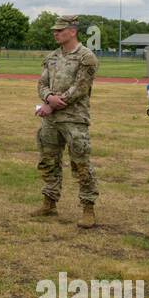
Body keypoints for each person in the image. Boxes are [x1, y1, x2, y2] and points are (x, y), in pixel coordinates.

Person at [31, 15, 99, 226]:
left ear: (72, 31)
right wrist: (47, 96)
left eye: (60, 30)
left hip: (74, 119)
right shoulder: (51, 57)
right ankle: (49, 201)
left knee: (80, 162)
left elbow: (79, 88)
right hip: (51, 120)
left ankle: (88, 208)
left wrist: (51, 103)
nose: (55, 33)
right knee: (49, 160)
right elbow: (41, 84)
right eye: (55, 30)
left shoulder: (86, 57)